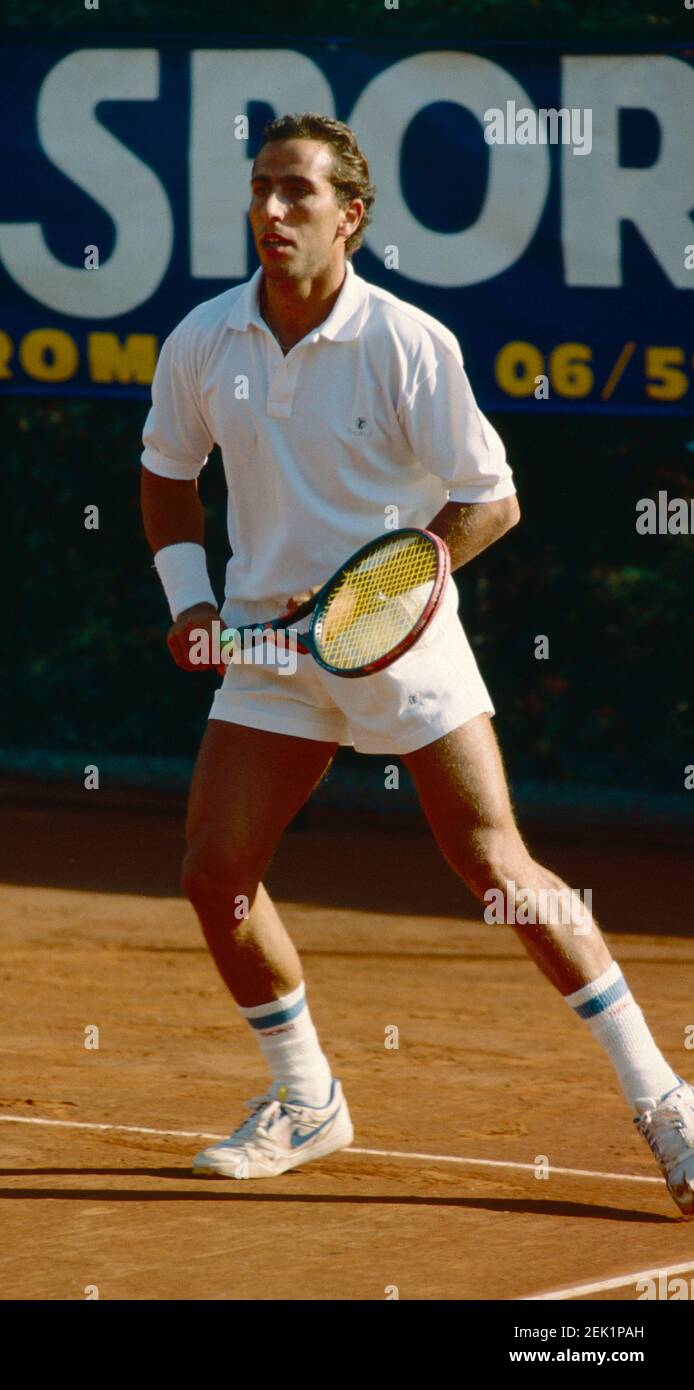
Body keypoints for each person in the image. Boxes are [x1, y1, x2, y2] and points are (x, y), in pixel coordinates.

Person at [140, 112, 693, 1216]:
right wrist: (191, 603)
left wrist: (380, 586)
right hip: (268, 646)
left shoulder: (407, 343)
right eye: (260, 188)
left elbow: (492, 498)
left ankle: (666, 1103)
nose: (271, 210)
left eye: (297, 192)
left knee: (497, 869)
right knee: (214, 873)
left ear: (348, 216)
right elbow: (165, 475)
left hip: (398, 639)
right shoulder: (203, 338)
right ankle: (306, 1099)